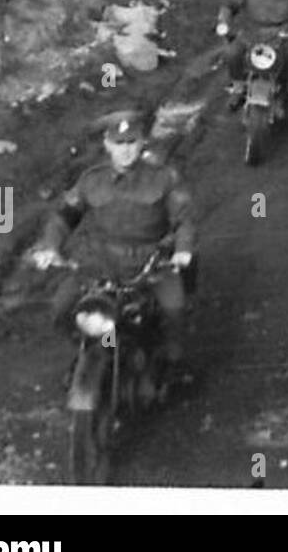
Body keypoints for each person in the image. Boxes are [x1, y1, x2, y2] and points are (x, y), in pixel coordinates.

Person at [30, 111, 195, 373]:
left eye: (131, 142)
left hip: (151, 264)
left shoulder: (164, 178)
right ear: (108, 145)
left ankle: (172, 366)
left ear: (142, 143)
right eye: (119, 143)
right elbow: (63, 218)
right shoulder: (91, 181)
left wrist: (182, 251)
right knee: (61, 308)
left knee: (174, 310)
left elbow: (183, 220)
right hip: (100, 264)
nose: (126, 150)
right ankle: (88, 352)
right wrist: (51, 248)